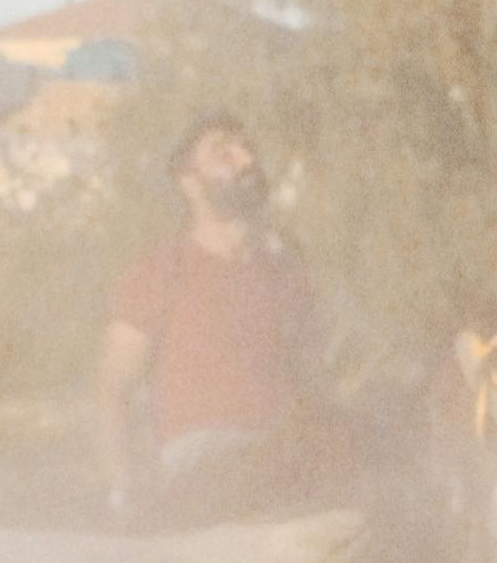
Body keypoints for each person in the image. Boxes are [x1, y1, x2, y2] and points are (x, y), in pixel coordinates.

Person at [93, 115, 344, 521]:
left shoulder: (287, 273)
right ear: (188, 181)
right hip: (204, 467)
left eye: (248, 148)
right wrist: (123, 491)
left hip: (288, 457)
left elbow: (314, 383)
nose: (246, 159)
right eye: (224, 151)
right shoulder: (159, 271)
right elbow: (113, 388)